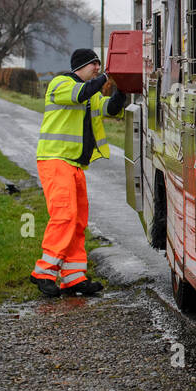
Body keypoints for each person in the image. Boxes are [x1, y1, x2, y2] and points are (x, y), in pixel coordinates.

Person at [29, 49, 128, 297]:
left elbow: (113, 109)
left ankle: (73, 277)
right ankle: (44, 272)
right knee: (64, 216)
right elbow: (82, 93)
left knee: (78, 221)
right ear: (82, 66)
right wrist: (105, 76)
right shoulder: (61, 83)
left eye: (99, 65)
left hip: (74, 164)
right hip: (55, 160)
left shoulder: (90, 94)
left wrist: (123, 88)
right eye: (94, 64)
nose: (97, 68)